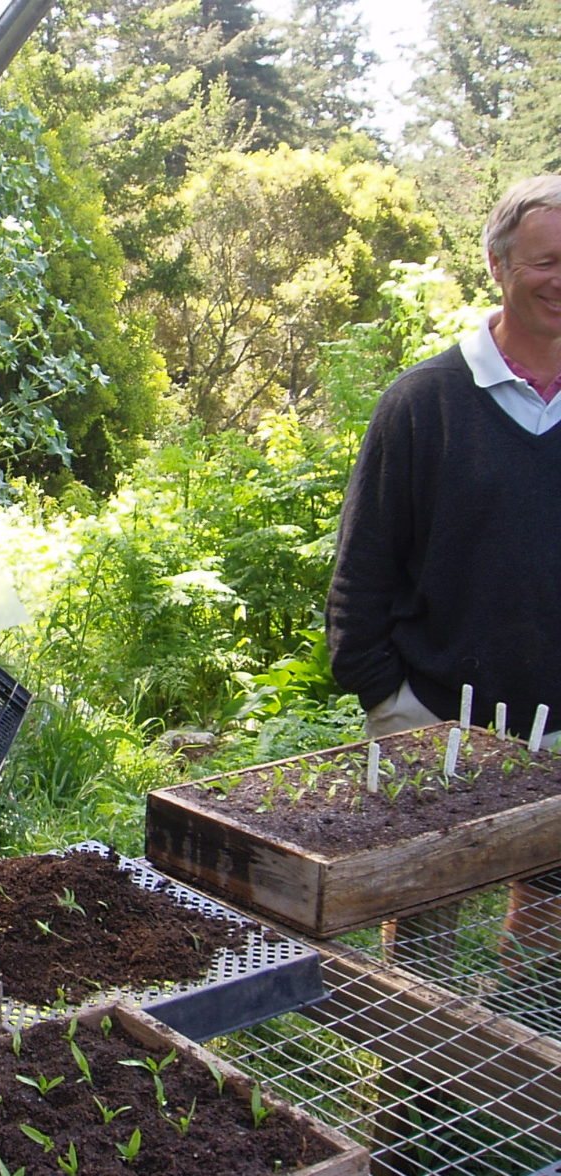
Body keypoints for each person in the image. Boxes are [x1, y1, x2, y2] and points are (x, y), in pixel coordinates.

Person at [327, 174, 561, 1002]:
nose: (560, 279)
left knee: (544, 942)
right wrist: (388, 701)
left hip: (557, 726)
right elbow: (364, 567)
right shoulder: (426, 402)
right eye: (546, 261)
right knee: (423, 926)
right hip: (435, 714)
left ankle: (518, 1090)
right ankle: (411, 1106)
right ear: (500, 266)